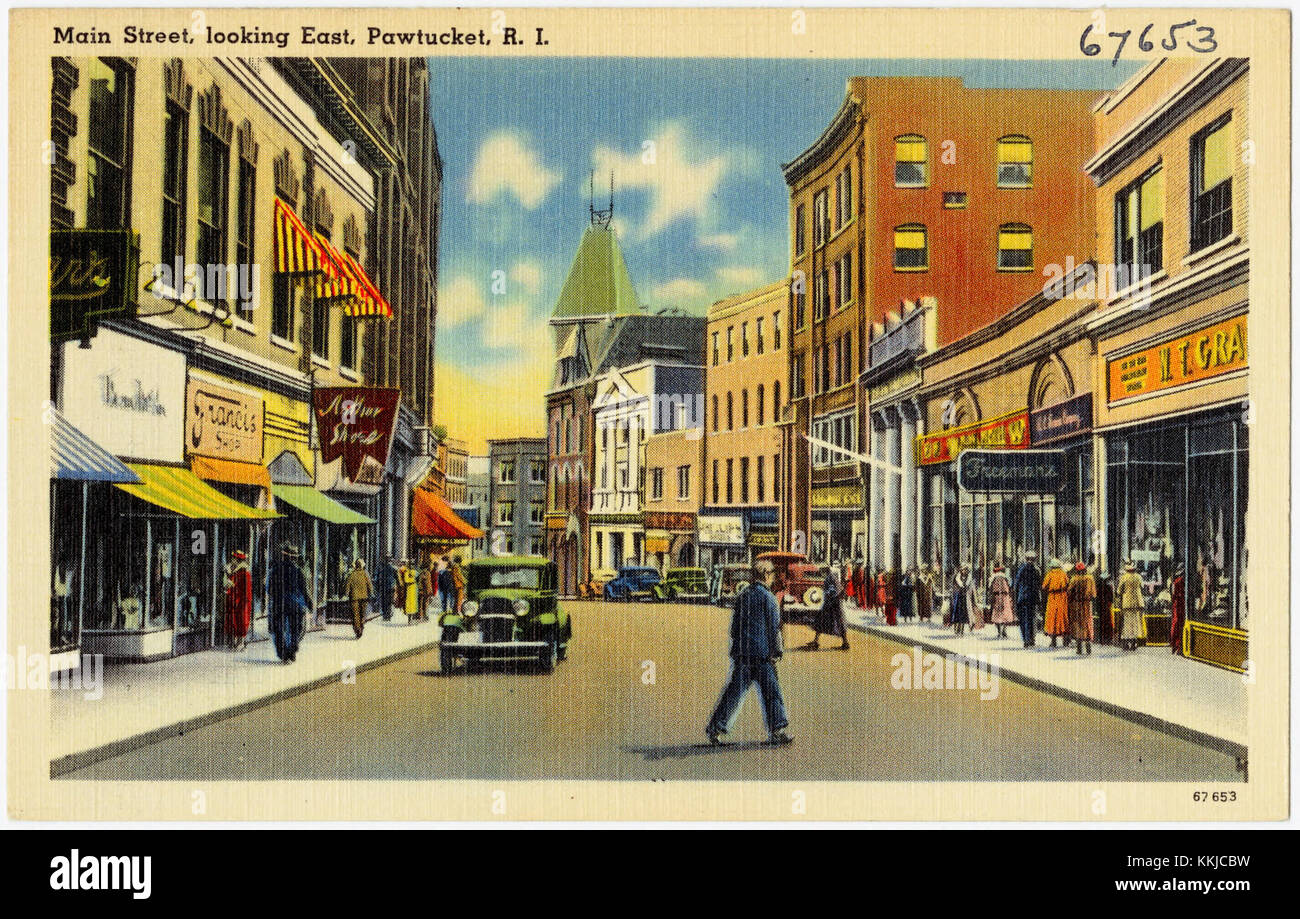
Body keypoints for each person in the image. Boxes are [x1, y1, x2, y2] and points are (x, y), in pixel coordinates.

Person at [705, 559, 793, 746]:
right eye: (772, 575)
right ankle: (777, 730)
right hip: (762, 656)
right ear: (767, 576)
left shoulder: (743, 596)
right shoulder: (769, 598)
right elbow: (774, 628)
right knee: (772, 692)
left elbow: (734, 628)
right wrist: (777, 650)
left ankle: (715, 729)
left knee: (734, 693)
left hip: (743, 654)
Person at [266, 543, 311, 663]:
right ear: (294, 558)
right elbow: (304, 590)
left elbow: (268, 589)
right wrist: (310, 605)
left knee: (278, 629)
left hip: (278, 604)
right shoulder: (298, 571)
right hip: (295, 604)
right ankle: (291, 651)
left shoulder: (274, 570)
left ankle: (283, 654)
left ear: (283, 556)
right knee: (295, 629)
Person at [804, 568, 849, 651]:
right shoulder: (831, 578)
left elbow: (833, 591)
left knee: (827, 622)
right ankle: (816, 641)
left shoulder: (830, 578)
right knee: (825, 622)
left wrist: (830, 599)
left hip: (833, 604)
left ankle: (845, 643)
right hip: (833, 603)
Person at [223, 550, 253, 650]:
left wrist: (242, 602)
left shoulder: (245, 573)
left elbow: (246, 591)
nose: (232, 560)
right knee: (232, 622)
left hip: (241, 602)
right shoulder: (233, 571)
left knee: (241, 622)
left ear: (238, 560)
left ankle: (240, 643)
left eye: (234, 558)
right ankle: (234, 642)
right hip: (233, 601)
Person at [1116, 560, 1147, 651]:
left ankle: (1126, 642)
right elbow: (1142, 587)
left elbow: (1119, 590)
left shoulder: (1124, 577)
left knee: (1127, 623)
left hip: (1127, 603)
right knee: (1136, 623)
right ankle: (1134, 642)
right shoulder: (1139, 577)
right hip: (1137, 602)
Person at [1067, 561, 1097, 655]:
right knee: (1087, 622)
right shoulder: (1090, 578)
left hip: (1076, 604)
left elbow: (1069, 591)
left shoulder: (1074, 579)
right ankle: (1088, 646)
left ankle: (1079, 647)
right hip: (1087, 604)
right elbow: (1093, 593)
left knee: (1077, 624)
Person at [1013, 551, 1042, 648]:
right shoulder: (1037, 570)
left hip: (1022, 598)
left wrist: (1016, 597)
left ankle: (1026, 640)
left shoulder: (1021, 569)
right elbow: (1039, 585)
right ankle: (1032, 639)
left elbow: (1016, 585)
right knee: (1032, 619)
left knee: (1023, 619)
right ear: (1034, 559)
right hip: (1033, 598)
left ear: (1026, 559)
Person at [1042, 558, 1071, 647]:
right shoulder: (1063, 574)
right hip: (1062, 597)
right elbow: (1067, 584)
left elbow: (1044, 586)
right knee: (1063, 617)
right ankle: (1065, 639)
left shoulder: (1049, 574)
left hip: (1052, 597)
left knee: (1052, 617)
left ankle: (1053, 640)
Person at [344, 558, 374, 639]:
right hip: (364, 597)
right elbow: (369, 584)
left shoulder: (351, 574)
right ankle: (361, 626)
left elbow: (347, 586)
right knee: (362, 614)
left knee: (355, 614)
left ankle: (358, 630)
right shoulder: (365, 574)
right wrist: (371, 593)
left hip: (354, 598)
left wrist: (346, 594)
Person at [987, 562, 1014, 639]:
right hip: (1005, 597)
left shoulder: (993, 577)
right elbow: (1010, 585)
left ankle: (999, 632)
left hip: (996, 597)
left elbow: (989, 587)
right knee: (1005, 614)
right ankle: (1004, 631)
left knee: (997, 614)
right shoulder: (1006, 577)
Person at [950, 565, 974, 635]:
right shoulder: (957, 577)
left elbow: (971, 588)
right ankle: (957, 629)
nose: (964, 571)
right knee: (956, 614)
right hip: (957, 598)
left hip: (965, 599)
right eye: (963, 570)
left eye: (965, 570)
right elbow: (954, 587)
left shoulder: (968, 578)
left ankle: (962, 630)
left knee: (963, 615)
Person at [1169, 563, 1186, 655]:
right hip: (1180, 604)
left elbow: (1173, 594)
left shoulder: (1176, 581)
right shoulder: (1180, 581)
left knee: (1176, 624)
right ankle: (1177, 645)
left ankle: (1175, 644)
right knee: (1178, 623)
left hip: (1177, 604)